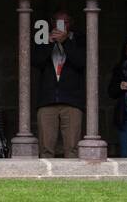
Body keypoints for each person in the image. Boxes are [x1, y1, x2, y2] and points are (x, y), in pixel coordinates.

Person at [32, 8, 86, 158]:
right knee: (46, 149)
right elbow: (36, 62)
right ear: (51, 23)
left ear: (71, 24)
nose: (60, 25)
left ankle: (72, 180)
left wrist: (66, 42)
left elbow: (81, 62)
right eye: (57, 21)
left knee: (72, 149)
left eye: (65, 22)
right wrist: (50, 43)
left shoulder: (79, 39)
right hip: (47, 101)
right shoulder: (43, 38)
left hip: (72, 101)